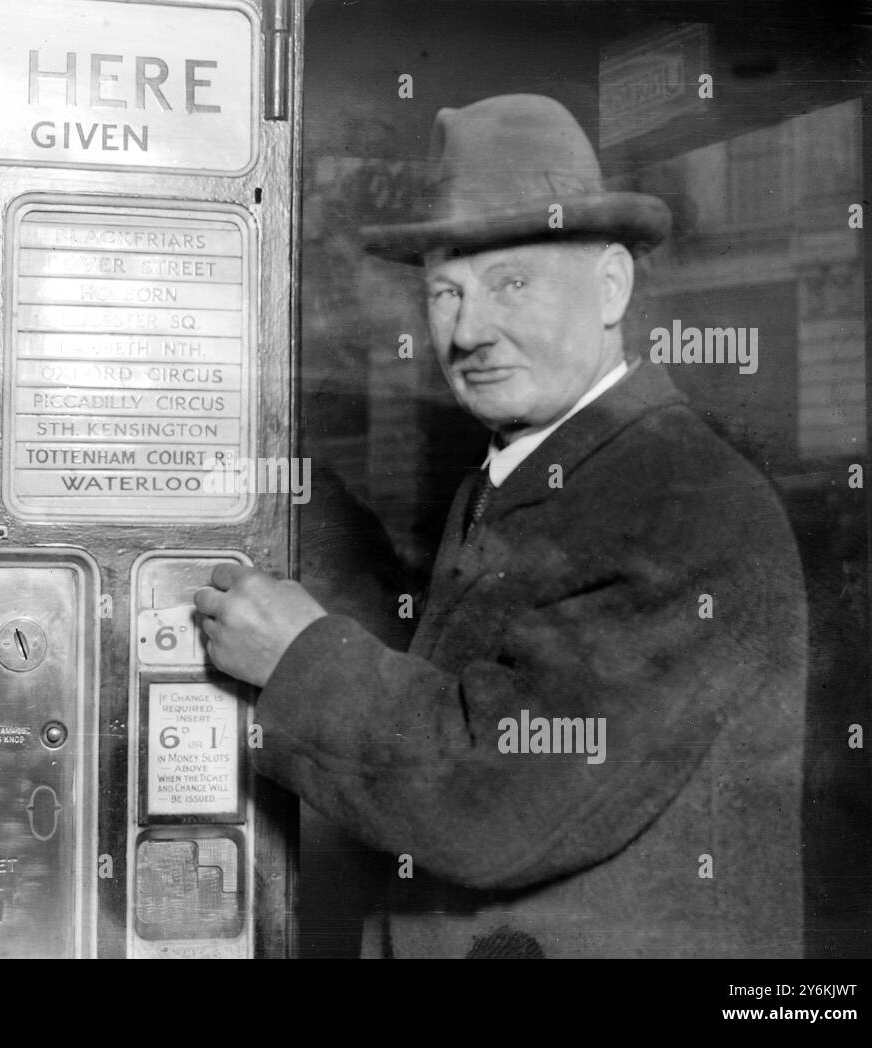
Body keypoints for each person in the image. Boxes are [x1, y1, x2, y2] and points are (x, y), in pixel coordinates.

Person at [194, 94, 807, 958]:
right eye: (446, 291)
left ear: (611, 286)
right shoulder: (532, 467)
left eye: (511, 283)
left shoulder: (679, 500)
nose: (470, 331)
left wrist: (300, 660)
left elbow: (494, 796)